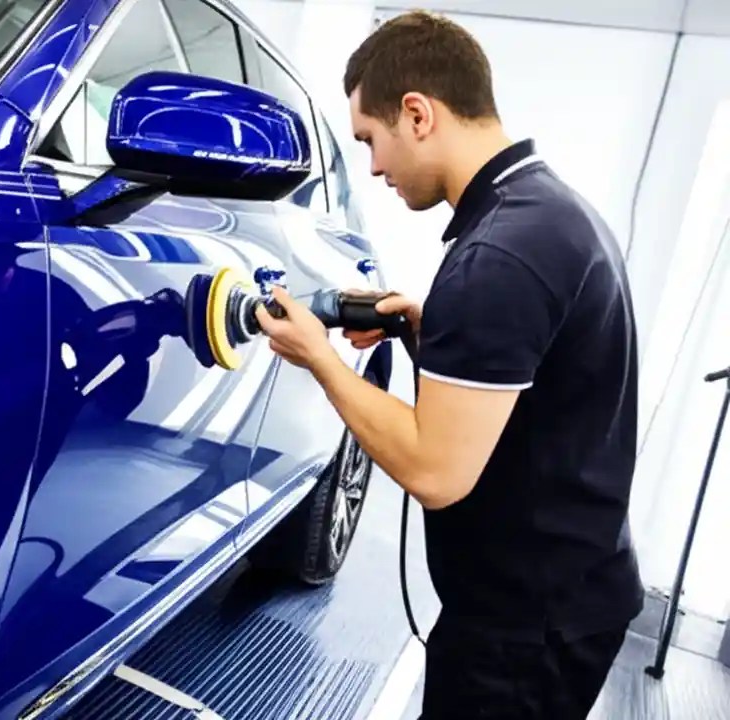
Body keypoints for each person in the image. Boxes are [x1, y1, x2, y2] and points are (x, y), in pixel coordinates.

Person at [253, 10, 643, 719]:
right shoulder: (545, 213)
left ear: (417, 113)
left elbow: (435, 472)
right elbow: (541, 384)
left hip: (525, 629)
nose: (374, 167)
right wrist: (433, 332)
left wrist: (319, 358)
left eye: (370, 140)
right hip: (561, 592)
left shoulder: (500, 255)